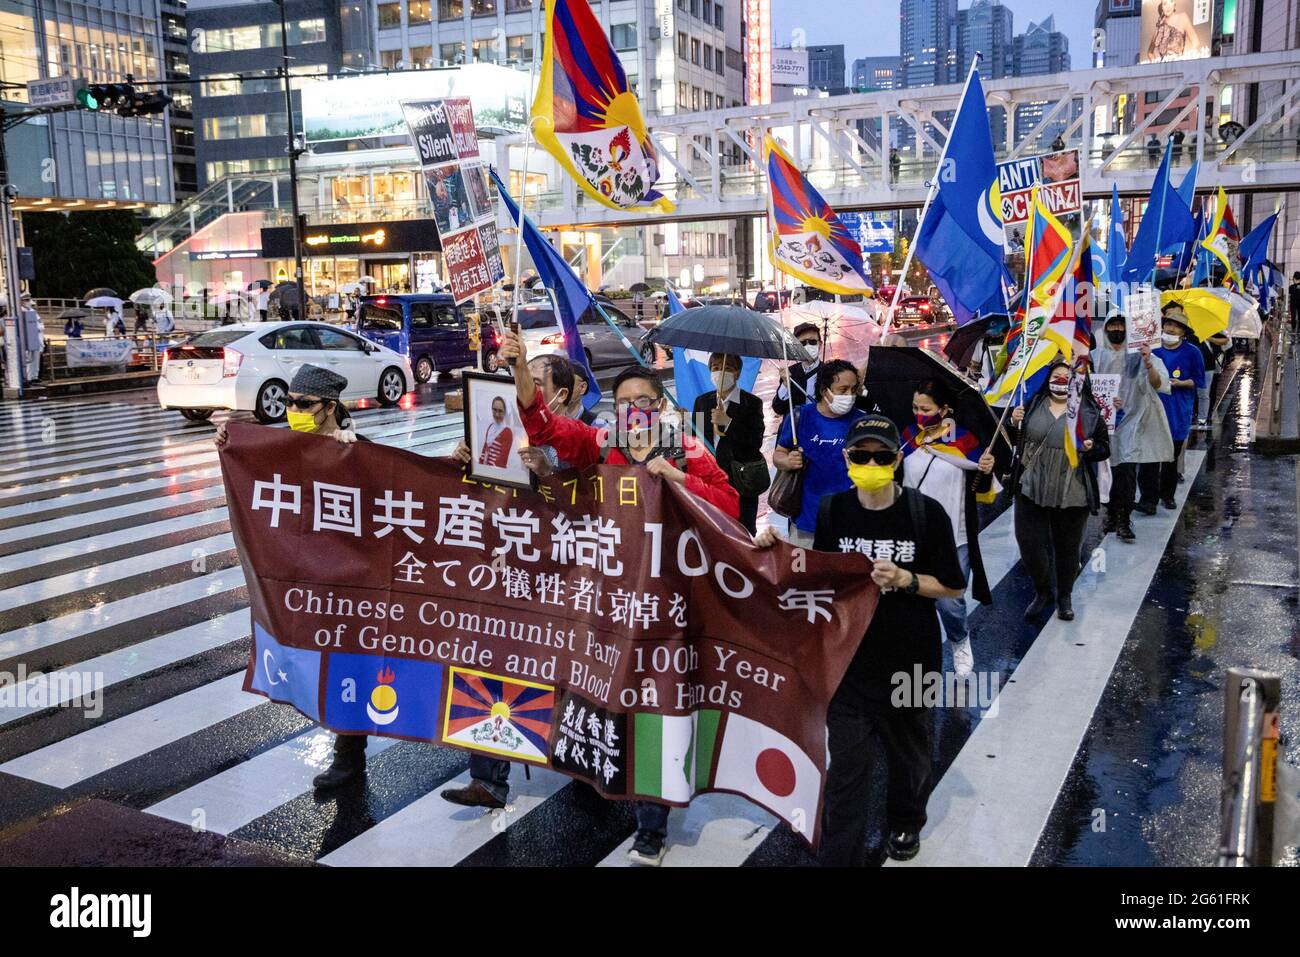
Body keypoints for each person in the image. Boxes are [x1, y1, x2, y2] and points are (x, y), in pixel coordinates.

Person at [496, 328, 738, 866]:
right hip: (605, 597)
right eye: (623, 401)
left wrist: (679, 479)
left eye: (643, 401)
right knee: (602, 693)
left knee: (655, 705)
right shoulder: (600, 444)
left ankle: (651, 824)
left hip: (661, 603)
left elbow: (730, 503)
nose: (633, 409)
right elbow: (543, 425)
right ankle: (598, 778)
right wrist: (518, 369)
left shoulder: (686, 446)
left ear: (659, 404)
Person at [755, 415, 965, 865]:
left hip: (913, 662)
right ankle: (839, 857)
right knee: (848, 768)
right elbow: (819, 577)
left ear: (896, 460)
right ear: (848, 458)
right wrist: (774, 551)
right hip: (849, 662)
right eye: (862, 455)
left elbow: (953, 585)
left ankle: (906, 822)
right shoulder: (832, 511)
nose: (872, 463)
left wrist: (907, 579)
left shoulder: (926, 514)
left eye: (882, 456)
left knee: (910, 755)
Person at [214, 365, 364, 790]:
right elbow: (246, 467)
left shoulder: (357, 450)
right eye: (288, 402)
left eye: (303, 404)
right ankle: (343, 750)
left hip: (346, 581)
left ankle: (348, 757)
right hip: (301, 579)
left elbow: (397, 488)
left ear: (330, 407)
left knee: (345, 664)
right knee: (316, 661)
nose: (291, 410)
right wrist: (228, 443)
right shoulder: (280, 446)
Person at [899, 379, 996, 675]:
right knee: (913, 600)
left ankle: (959, 639)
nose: (919, 414)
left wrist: (987, 468)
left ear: (944, 410)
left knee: (949, 600)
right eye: (915, 407)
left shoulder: (964, 441)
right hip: (914, 534)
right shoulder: (907, 437)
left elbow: (983, 487)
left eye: (925, 409)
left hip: (955, 534)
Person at [1008, 359, 1110, 621]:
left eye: (1068, 376)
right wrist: (1012, 420)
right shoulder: (1030, 405)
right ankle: (1043, 591)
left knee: (1068, 549)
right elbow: (1012, 440)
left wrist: (1090, 448)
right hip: (1032, 486)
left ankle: (1065, 596)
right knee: (1030, 545)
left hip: (1072, 490)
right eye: (1057, 375)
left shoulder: (1090, 412)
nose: (1062, 380)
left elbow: (1104, 449)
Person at [1093, 314, 1173, 542]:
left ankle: (1124, 519)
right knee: (1107, 472)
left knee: (1126, 471)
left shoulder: (1142, 356)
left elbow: (1160, 383)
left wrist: (1148, 363)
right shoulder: (1095, 357)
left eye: (1121, 325)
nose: (1117, 329)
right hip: (1103, 425)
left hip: (1133, 421)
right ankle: (1110, 513)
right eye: (1112, 325)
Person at [773, 359, 866, 547]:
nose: (849, 395)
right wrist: (787, 461)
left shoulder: (862, 421)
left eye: (853, 389)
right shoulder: (801, 416)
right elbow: (778, 454)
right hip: (806, 522)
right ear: (825, 390)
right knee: (804, 574)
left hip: (850, 523)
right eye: (843, 389)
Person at [692, 353, 767, 533]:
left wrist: (729, 423)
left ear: (738, 373)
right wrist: (685, 422)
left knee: (743, 531)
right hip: (709, 481)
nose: (721, 372)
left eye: (728, 368)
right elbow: (694, 439)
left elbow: (754, 442)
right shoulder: (702, 402)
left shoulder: (751, 403)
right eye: (716, 368)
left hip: (740, 480)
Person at [1144, 308, 1204, 511]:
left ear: (1184, 331)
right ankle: (1148, 499)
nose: (1171, 328)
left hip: (1178, 412)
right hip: (1152, 411)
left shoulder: (1193, 353)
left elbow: (1198, 381)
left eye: (1176, 326)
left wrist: (1180, 383)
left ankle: (1167, 495)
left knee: (1171, 457)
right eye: (1169, 324)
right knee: (1150, 458)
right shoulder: (1152, 350)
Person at [771, 321, 822, 417]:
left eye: (812, 342)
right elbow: (778, 408)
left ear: (820, 344)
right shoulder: (790, 373)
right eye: (802, 343)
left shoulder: (829, 372)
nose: (808, 346)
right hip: (795, 428)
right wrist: (786, 385)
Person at [478, 396, 514, 467]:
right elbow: (484, 451)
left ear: (505, 412)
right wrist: (480, 468)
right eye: (494, 410)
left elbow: (502, 460)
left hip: (497, 472)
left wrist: (490, 472)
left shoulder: (507, 432)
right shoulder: (490, 427)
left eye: (500, 411)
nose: (497, 414)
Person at [20, 295, 43, 384]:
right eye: (27, 300)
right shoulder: (21, 311)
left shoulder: (33, 311)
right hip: (27, 338)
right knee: (28, 359)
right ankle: (28, 377)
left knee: (36, 358)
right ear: (22, 301)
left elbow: (41, 324)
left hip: (36, 338)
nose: (29, 302)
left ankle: (34, 376)